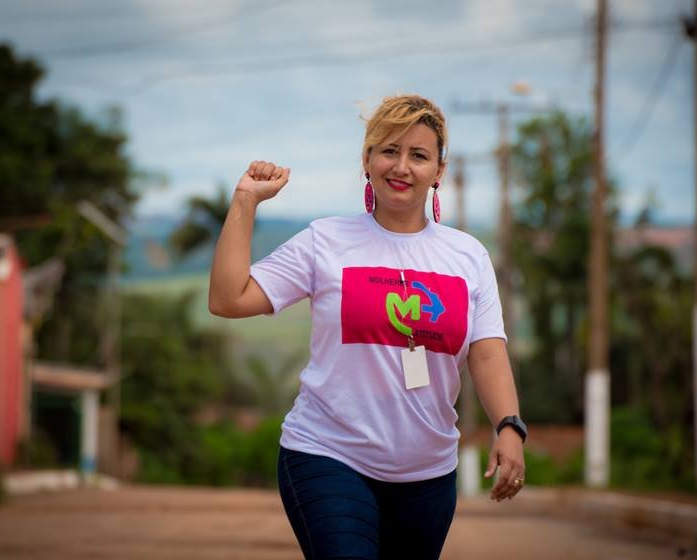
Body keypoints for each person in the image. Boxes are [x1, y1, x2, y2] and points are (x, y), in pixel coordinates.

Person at [208, 94, 525, 560]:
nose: (401, 166)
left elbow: (486, 351)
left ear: (439, 171)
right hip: (327, 455)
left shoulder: (468, 256)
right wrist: (244, 202)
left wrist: (510, 427)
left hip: (429, 474)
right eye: (388, 150)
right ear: (367, 161)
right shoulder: (326, 241)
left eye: (418, 155)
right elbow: (228, 298)